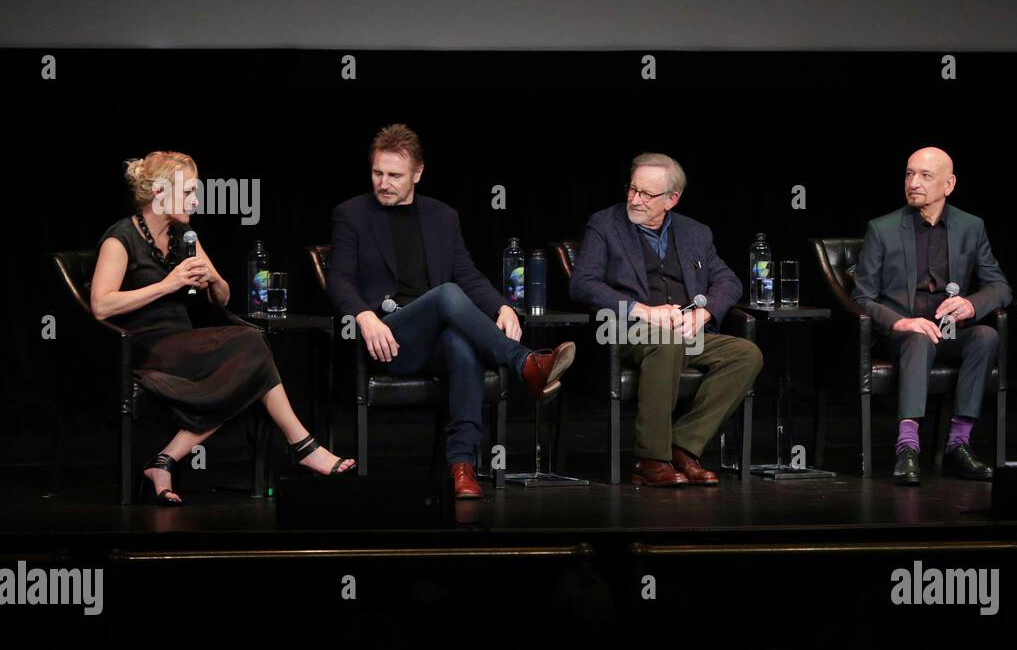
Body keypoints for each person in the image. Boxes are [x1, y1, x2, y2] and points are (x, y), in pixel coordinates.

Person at [91, 151, 355, 505]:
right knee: (251, 348)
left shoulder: (183, 235)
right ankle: (305, 447)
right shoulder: (120, 238)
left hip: (184, 345)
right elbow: (101, 304)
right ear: (158, 193)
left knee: (249, 358)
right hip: (144, 348)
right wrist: (167, 285)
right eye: (187, 193)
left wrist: (212, 278)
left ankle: (163, 461)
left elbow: (222, 298)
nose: (196, 201)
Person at [327, 124, 575, 499]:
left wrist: (503, 307)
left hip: (437, 341)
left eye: (395, 175)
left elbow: (468, 275)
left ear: (418, 173)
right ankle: (526, 365)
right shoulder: (351, 214)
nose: (384, 182)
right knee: (446, 295)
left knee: (461, 342)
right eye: (378, 173)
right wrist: (364, 316)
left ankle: (462, 466)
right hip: (390, 337)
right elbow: (339, 280)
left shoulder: (442, 216)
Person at [570, 152, 763, 487]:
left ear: (672, 199)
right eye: (632, 189)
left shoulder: (695, 233)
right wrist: (644, 311)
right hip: (629, 332)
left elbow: (729, 281)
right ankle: (650, 458)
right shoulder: (605, 225)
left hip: (684, 332)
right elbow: (583, 284)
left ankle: (684, 445)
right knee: (665, 341)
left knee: (747, 354)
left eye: (647, 194)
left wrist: (703, 314)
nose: (635, 199)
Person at [852, 147, 1011, 486]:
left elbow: (999, 287)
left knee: (986, 335)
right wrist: (900, 321)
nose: (914, 183)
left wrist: (972, 304)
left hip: (951, 330)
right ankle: (907, 448)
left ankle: (959, 444)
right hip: (902, 335)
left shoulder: (971, 227)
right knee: (918, 339)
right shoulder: (882, 229)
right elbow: (861, 296)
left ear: (948, 184)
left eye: (925, 176)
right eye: (909, 174)